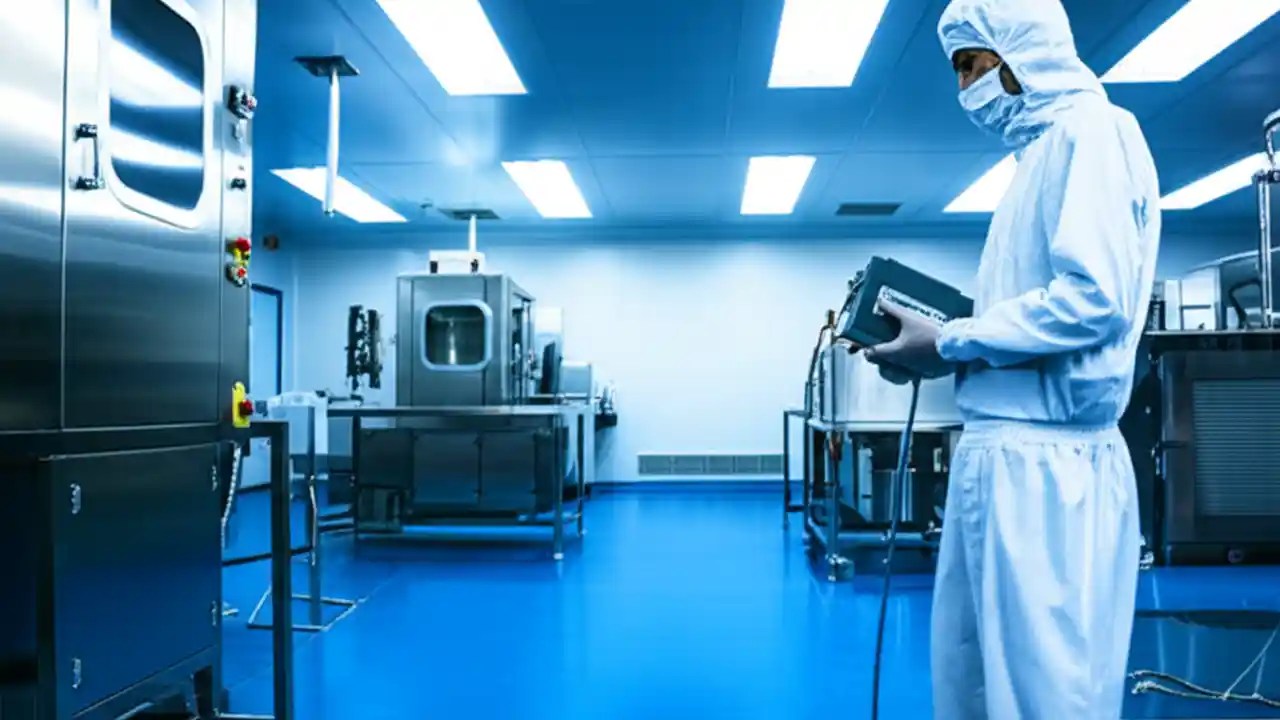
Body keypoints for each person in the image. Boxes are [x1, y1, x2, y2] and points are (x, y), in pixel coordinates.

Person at [863, 0, 1162, 717]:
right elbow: (1033, 317)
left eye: (973, 65)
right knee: (971, 681)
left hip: (1049, 468)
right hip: (1006, 455)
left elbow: (1094, 300)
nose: (964, 88)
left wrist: (954, 339)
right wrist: (939, 350)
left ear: (1022, 50)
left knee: (1044, 693)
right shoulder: (1038, 159)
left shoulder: (1093, 132)